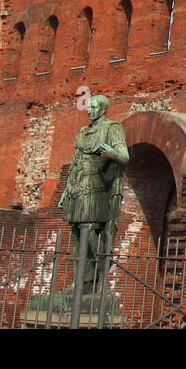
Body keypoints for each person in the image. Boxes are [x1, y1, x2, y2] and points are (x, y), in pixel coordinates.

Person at [58, 94, 129, 297]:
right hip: (76, 187)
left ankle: (101, 281)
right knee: (76, 237)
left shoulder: (112, 128)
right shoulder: (84, 132)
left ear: (103, 109)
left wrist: (112, 155)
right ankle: (79, 283)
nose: (89, 110)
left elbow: (125, 157)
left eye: (93, 107)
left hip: (95, 187)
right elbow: (75, 163)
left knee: (90, 233)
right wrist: (65, 191)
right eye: (88, 107)